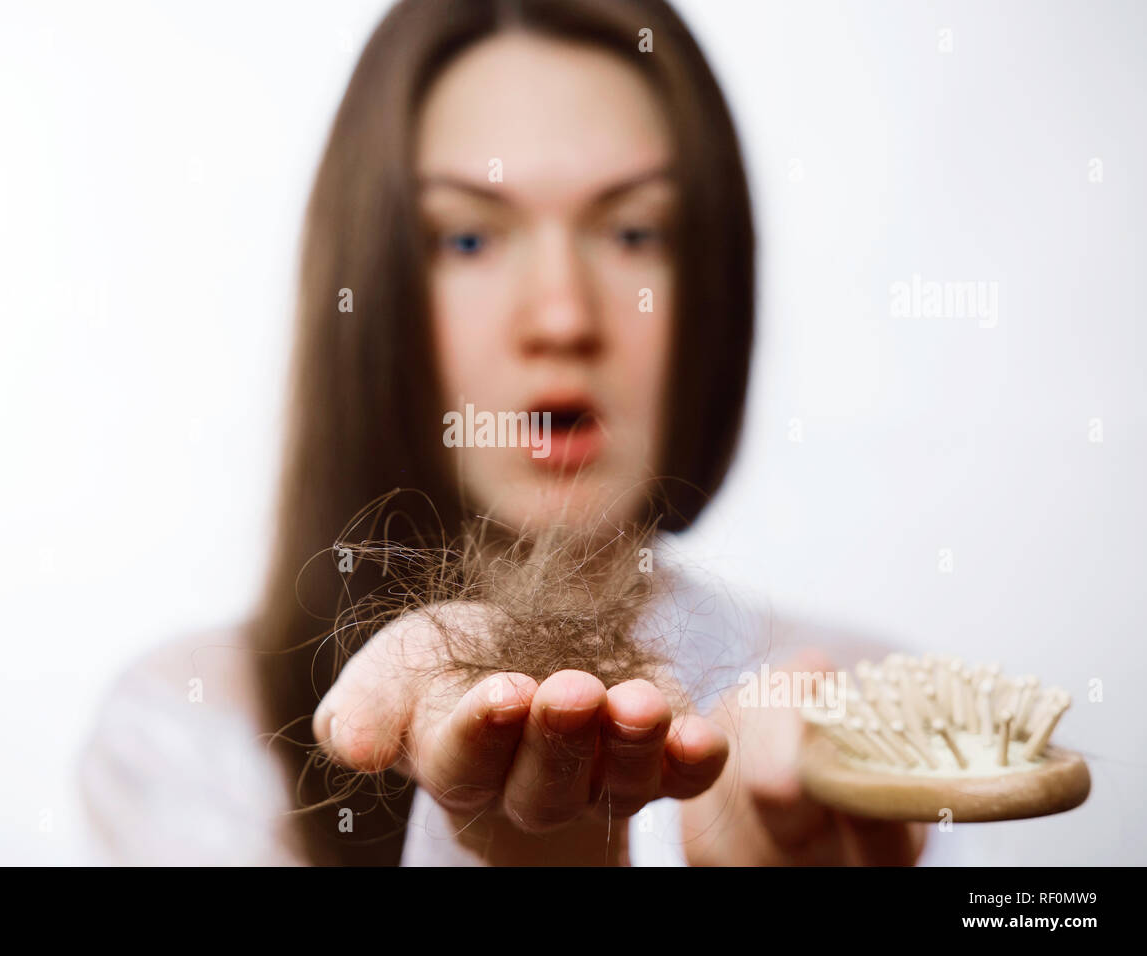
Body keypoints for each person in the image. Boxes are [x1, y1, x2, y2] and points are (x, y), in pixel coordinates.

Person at [79, 0, 934, 867]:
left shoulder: (857, 718)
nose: (563, 316)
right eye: (469, 238)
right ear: (374, 296)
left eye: (634, 232)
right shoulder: (192, 729)